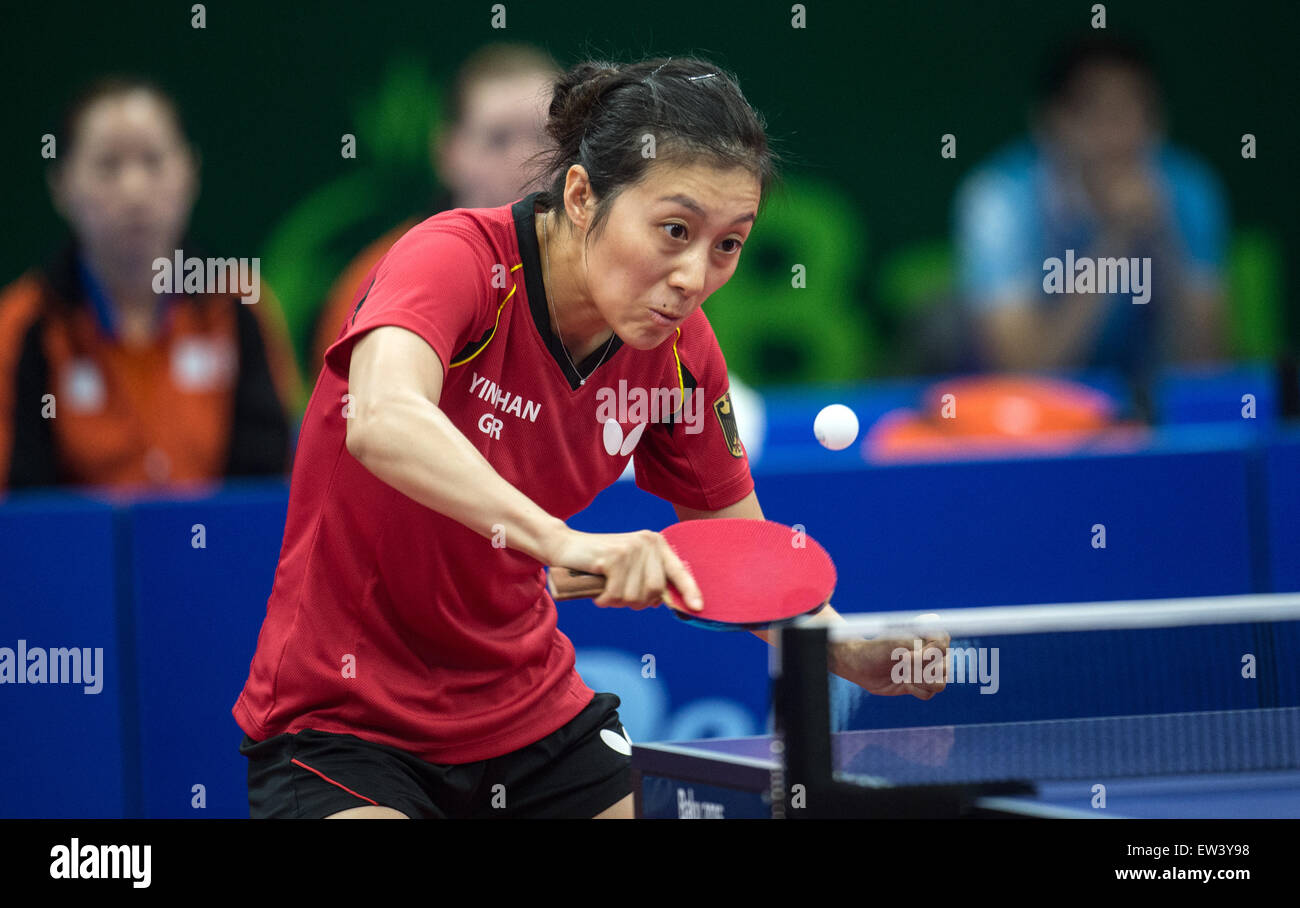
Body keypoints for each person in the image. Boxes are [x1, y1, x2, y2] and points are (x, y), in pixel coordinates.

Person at [233, 56, 947, 820]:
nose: (693, 275)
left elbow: (741, 555)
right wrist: (563, 543)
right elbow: (380, 418)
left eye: (728, 245)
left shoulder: (680, 352)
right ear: (581, 196)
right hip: (344, 723)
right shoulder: (457, 260)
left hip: (529, 713)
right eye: (673, 230)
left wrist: (841, 648)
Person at [0, 77, 299, 492]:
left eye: (153, 161)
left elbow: (267, 485)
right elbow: (21, 503)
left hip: (218, 554)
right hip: (76, 556)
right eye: (108, 166)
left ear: (189, 172)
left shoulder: (238, 306)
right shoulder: (23, 324)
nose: (134, 190)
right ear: (61, 185)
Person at [953, 34, 1228, 394]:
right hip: (1010, 429)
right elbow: (1025, 376)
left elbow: (1207, 369)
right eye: (1100, 115)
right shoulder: (997, 200)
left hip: (1137, 418)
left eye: (1139, 114)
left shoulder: (1189, 190)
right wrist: (1115, 239)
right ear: (1050, 122)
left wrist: (1165, 239)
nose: (1122, 137)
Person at [308, 43, 559, 371]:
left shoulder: (603, 273)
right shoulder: (378, 276)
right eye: (499, 139)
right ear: (449, 152)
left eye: (544, 136)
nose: (527, 160)